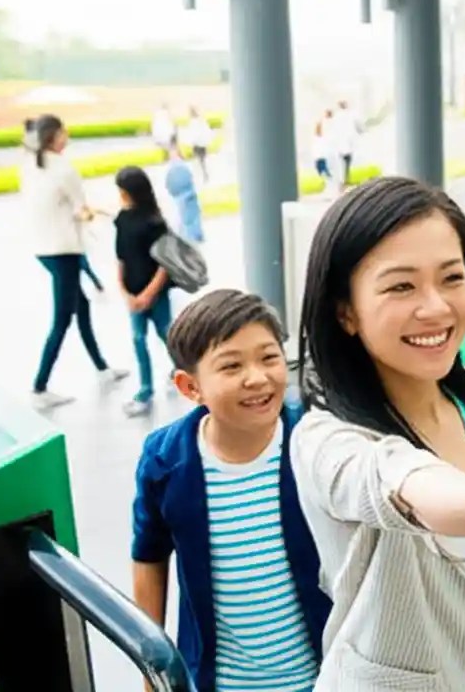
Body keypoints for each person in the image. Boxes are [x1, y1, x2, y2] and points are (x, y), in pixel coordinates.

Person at [291, 176, 465, 691]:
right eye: (401, 286)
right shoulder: (326, 440)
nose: (436, 307)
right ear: (345, 310)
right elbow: (402, 484)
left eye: (452, 278)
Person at [132, 289, 330, 692]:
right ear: (190, 387)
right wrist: (150, 668)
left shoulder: (315, 442)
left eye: (269, 357)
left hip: (326, 679)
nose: (256, 377)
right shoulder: (166, 460)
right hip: (220, 684)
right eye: (231, 365)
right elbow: (149, 557)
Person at [22, 114, 128, 411]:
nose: (67, 135)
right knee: (63, 318)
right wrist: (97, 212)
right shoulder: (64, 169)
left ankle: (102, 369)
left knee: (81, 305)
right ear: (55, 136)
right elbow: (81, 210)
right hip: (65, 250)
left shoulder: (30, 165)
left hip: (42, 248)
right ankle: (40, 386)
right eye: (63, 131)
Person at [113, 166, 175, 417]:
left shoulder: (156, 223)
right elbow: (120, 259)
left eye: (122, 190)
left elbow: (165, 264)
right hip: (133, 294)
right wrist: (125, 293)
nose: (120, 195)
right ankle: (145, 390)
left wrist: (149, 293)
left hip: (155, 294)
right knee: (138, 339)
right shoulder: (121, 220)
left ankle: (184, 370)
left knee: (167, 334)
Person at [164, 146, 205, 249]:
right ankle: (195, 234)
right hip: (187, 195)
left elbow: (169, 184)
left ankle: (190, 235)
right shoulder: (183, 166)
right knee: (191, 217)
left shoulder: (173, 168)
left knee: (184, 217)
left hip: (182, 195)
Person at [324, 100, 360, 189]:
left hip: (341, 143)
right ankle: (344, 180)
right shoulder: (348, 115)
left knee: (341, 163)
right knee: (345, 162)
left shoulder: (338, 116)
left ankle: (343, 181)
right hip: (345, 142)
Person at [183, 107, 213, 183]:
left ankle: (202, 176)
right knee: (202, 161)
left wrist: (191, 142)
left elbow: (193, 135)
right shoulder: (201, 121)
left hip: (197, 145)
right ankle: (205, 175)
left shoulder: (193, 123)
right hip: (202, 144)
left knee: (198, 161)